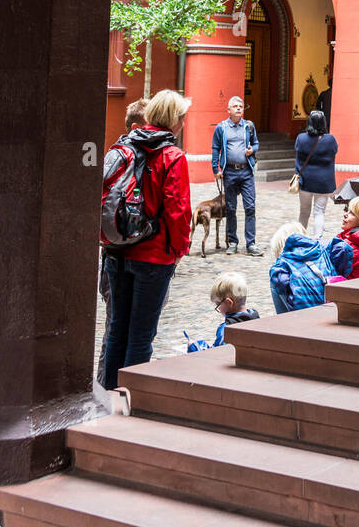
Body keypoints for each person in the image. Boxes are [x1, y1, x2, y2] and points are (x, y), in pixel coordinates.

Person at [102, 89, 192, 389]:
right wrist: (180, 250)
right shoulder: (172, 155)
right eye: (183, 117)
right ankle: (131, 398)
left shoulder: (126, 146)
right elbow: (177, 210)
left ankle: (107, 396)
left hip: (117, 250)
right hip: (153, 256)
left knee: (117, 329)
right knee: (141, 334)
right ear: (175, 120)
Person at [96, 97, 148, 384]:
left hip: (114, 251)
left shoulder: (119, 154)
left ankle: (105, 386)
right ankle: (107, 387)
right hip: (123, 252)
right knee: (117, 328)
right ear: (139, 126)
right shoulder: (131, 156)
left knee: (115, 328)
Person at [212, 96, 262, 256]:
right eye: (235, 106)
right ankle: (232, 242)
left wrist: (251, 151)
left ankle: (251, 244)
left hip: (246, 171)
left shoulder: (249, 126)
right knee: (231, 209)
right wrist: (216, 169)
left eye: (241, 106)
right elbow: (215, 148)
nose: (239, 108)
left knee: (250, 207)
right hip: (230, 172)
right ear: (229, 110)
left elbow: (256, 144)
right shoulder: (222, 128)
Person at [268, 221, 352, 314]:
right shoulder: (325, 252)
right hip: (336, 312)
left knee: (276, 280)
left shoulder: (282, 268)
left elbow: (282, 313)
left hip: (305, 320)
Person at [294, 108, 338, 238]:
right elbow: (334, 151)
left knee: (304, 211)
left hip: (306, 181)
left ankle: (300, 237)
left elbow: (297, 152)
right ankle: (318, 238)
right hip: (323, 183)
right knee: (319, 212)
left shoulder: (301, 138)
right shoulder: (330, 140)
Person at [209, 271, 259, 345]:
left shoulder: (226, 330)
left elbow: (216, 352)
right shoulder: (256, 318)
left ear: (229, 303)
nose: (218, 309)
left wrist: (194, 346)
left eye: (218, 305)